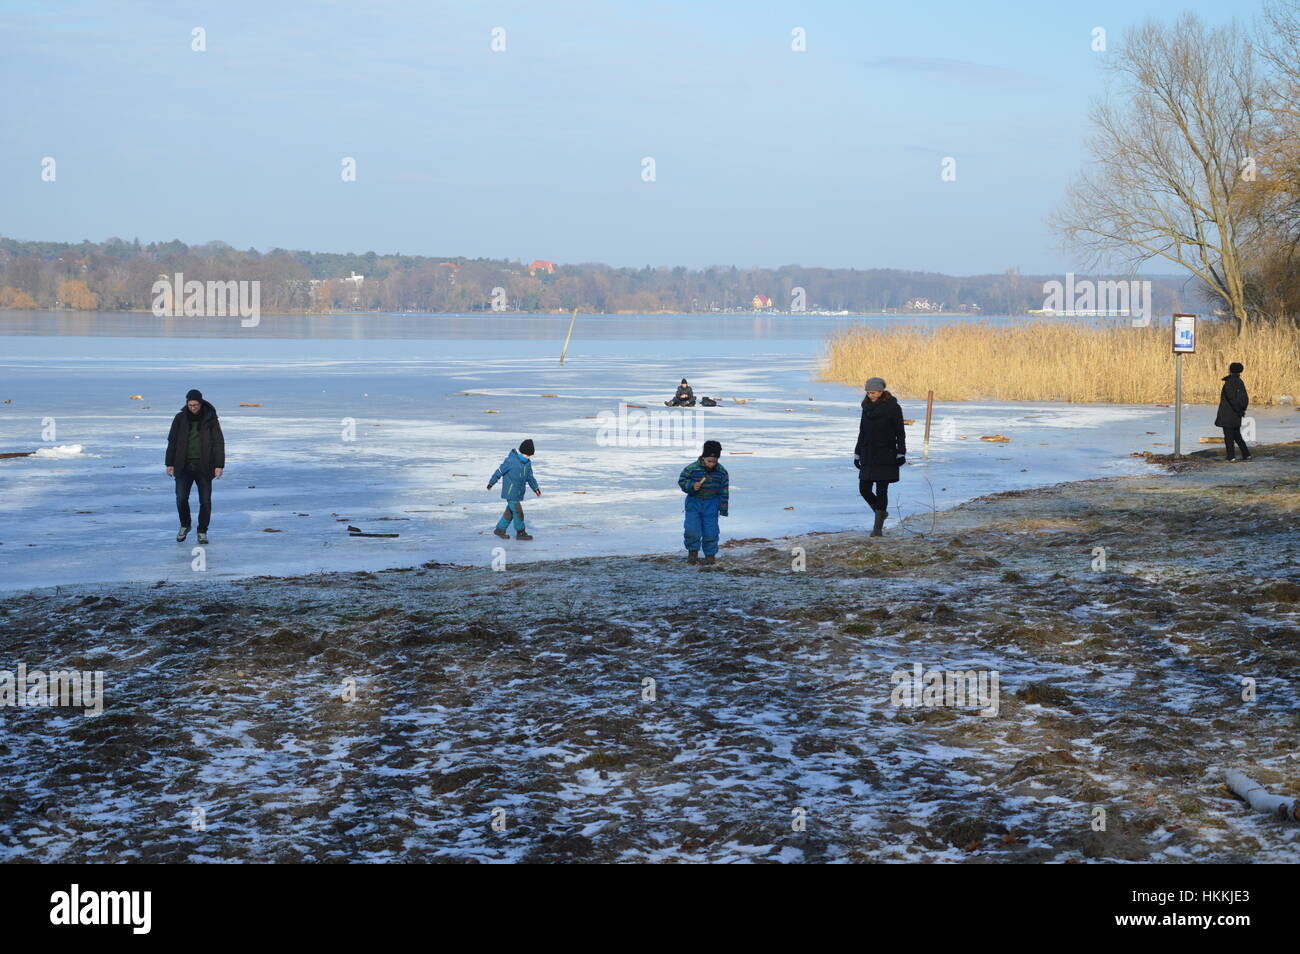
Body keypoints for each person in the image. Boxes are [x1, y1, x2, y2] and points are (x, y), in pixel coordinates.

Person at [165, 388, 224, 544]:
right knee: (181, 499)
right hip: (183, 466)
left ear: (201, 403)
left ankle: (202, 531)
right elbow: (172, 442)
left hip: (204, 466)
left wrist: (219, 465)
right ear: (187, 404)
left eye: (196, 405)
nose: (193, 408)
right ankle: (185, 525)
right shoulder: (179, 418)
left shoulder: (210, 419)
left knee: (205, 501)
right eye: (190, 405)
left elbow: (218, 443)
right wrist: (169, 463)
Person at [854, 377, 906, 537]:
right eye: (868, 393)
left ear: (881, 391)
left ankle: (877, 528)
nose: (871, 395)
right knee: (864, 489)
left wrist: (901, 452)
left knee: (882, 490)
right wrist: (857, 453)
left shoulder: (893, 408)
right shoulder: (866, 407)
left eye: (874, 392)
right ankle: (881, 512)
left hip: (886, 453)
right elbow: (862, 431)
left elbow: (900, 432)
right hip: (868, 453)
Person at [677, 439, 728, 565]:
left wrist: (723, 508)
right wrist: (691, 486)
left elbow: (724, 491)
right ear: (703, 457)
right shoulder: (692, 468)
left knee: (711, 532)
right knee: (691, 530)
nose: (711, 464)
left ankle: (710, 556)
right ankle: (692, 554)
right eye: (709, 461)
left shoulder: (721, 472)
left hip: (712, 504)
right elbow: (682, 481)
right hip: (694, 504)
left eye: (715, 461)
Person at [488, 439, 541, 540]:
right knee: (518, 512)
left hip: (519, 492)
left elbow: (530, 477)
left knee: (510, 512)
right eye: (527, 455)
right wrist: (491, 483)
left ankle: (500, 529)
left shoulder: (527, 463)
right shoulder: (511, 461)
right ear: (522, 452)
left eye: (530, 455)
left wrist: (536, 488)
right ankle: (521, 532)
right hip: (510, 492)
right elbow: (499, 472)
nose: (528, 457)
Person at [1215, 361, 1251, 461]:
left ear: (1231, 370)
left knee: (1229, 437)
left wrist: (1238, 410)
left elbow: (1232, 399)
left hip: (1228, 414)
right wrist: (1241, 410)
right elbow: (1245, 398)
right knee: (1237, 436)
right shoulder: (1240, 381)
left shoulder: (1229, 382)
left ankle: (1231, 457)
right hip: (1236, 414)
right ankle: (1246, 454)